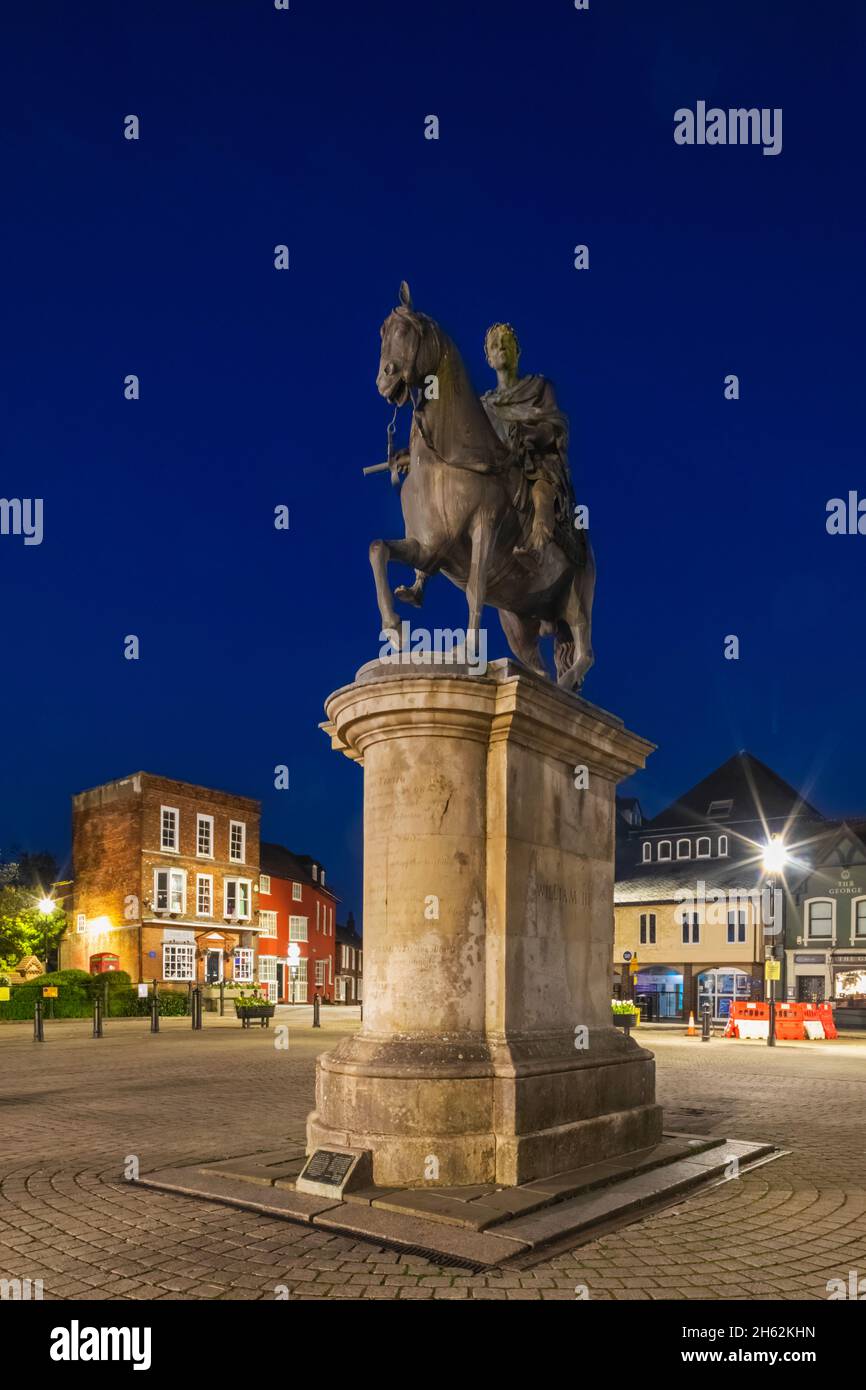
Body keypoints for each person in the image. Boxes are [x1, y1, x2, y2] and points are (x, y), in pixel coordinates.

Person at [481, 323, 575, 560]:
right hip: (499, 467)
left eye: (506, 343)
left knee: (542, 494)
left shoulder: (539, 387)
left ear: (517, 352)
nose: (500, 347)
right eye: (495, 345)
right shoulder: (484, 405)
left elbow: (555, 426)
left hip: (537, 465)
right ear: (488, 359)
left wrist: (527, 436)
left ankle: (537, 546)